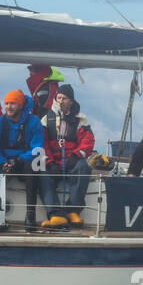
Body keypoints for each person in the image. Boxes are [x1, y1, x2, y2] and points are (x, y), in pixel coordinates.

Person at [39, 84, 94, 228]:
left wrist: (75, 157)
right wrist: (50, 163)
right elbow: (41, 143)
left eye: (64, 98)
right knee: (42, 172)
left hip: (71, 160)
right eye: (59, 98)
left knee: (83, 168)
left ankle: (73, 210)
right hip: (53, 161)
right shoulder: (46, 119)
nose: (61, 101)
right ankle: (55, 214)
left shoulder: (80, 120)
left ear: (71, 101)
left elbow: (87, 142)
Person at [0, 90, 45, 226]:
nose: (9, 107)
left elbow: (37, 148)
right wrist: (2, 162)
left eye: (13, 103)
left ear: (21, 105)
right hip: (5, 161)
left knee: (32, 170)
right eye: (7, 103)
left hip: (24, 160)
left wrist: (19, 160)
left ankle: (30, 216)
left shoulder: (34, 122)